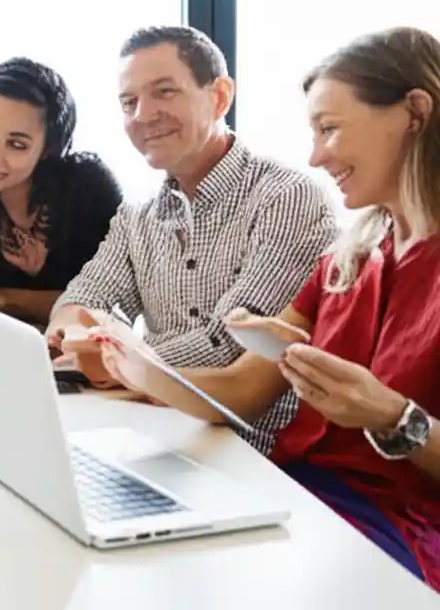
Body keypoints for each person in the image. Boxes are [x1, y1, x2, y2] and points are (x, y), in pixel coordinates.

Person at [93, 27, 440, 590]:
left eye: (330, 129)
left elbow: (393, 427)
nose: (315, 154)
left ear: (414, 114)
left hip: (398, 527)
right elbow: (242, 391)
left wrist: (393, 418)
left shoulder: (294, 208)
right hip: (295, 491)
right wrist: (131, 362)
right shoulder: (345, 261)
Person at [46, 25, 338, 454]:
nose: (142, 115)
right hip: (154, 431)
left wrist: (112, 357)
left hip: (258, 454)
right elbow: (85, 297)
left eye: (164, 92)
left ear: (219, 96)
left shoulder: (288, 198)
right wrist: (70, 336)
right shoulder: (137, 213)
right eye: (129, 102)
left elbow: (227, 346)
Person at [0, 57, 122, 326]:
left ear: (49, 150)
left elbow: (118, 305)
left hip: (76, 354)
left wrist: (23, 300)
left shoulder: (89, 185)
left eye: (16, 144)